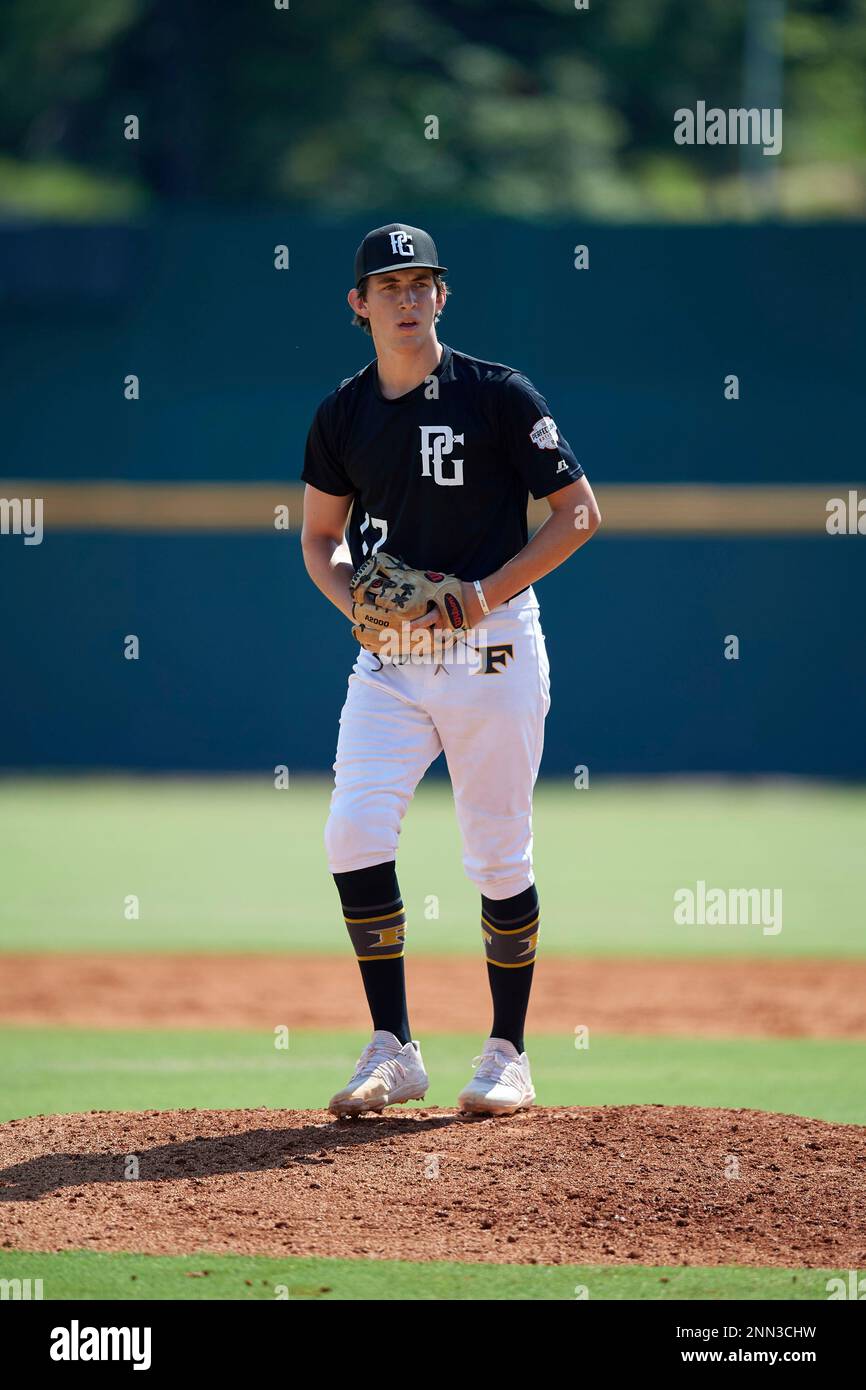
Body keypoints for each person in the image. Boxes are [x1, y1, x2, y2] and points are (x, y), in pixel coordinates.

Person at [300, 223, 601, 1117]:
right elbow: (320, 540)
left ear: (442, 295)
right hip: (391, 661)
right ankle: (393, 1048)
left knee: (497, 849)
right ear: (358, 305)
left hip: (491, 643)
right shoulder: (342, 414)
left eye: (420, 282)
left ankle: (508, 1054)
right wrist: (358, 607)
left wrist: (481, 594)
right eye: (387, 286)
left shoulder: (498, 395)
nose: (406, 298)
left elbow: (578, 513)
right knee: (353, 832)